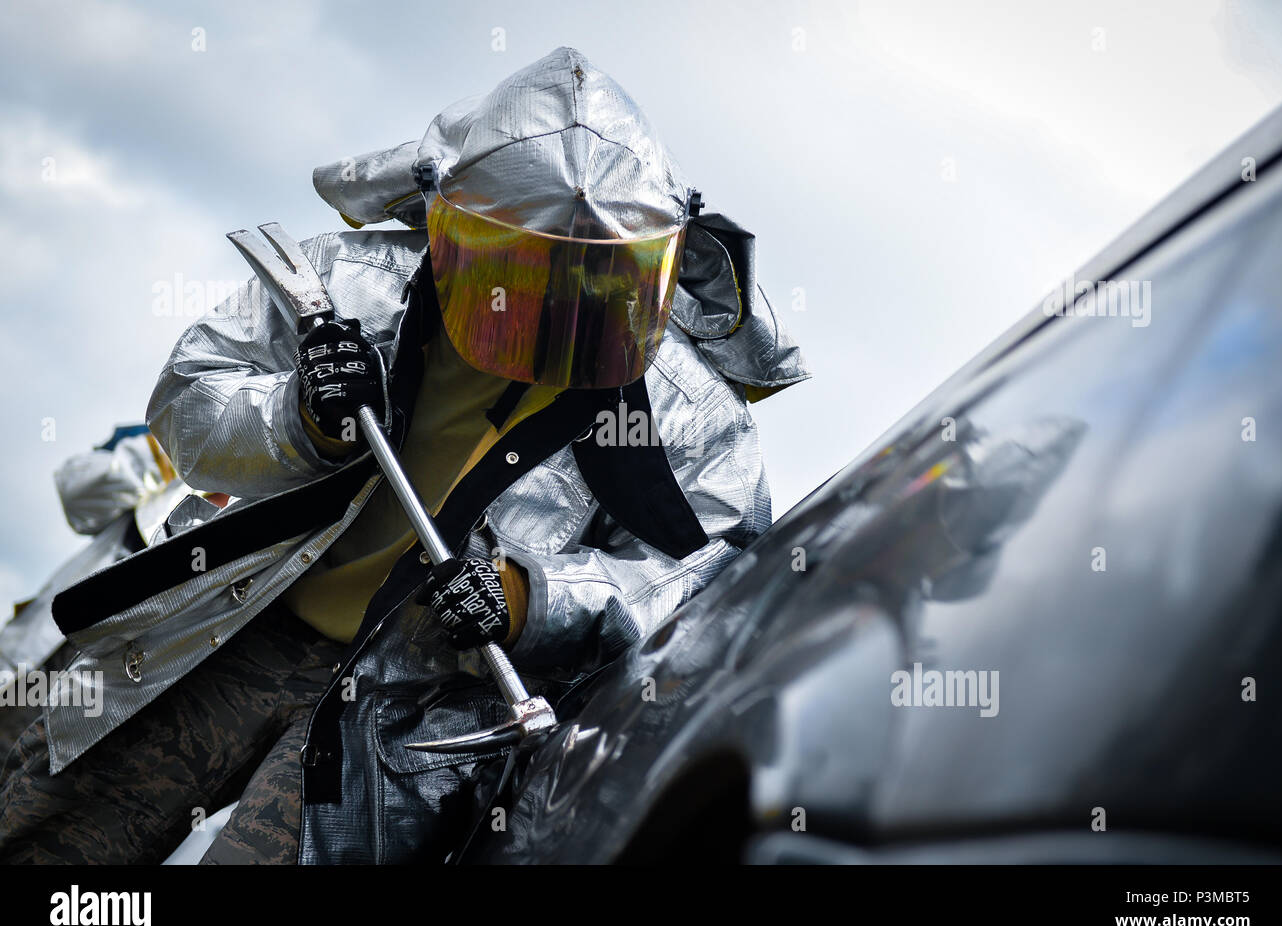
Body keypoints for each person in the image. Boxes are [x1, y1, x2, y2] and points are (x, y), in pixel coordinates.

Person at [0, 47, 807, 864]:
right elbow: (187, 403)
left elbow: (719, 574)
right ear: (451, 230)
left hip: (413, 716)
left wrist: (534, 595)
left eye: (595, 284)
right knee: (56, 842)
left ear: (652, 273)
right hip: (238, 626)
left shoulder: (689, 415)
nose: (549, 311)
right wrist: (301, 417)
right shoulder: (345, 283)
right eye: (519, 273)